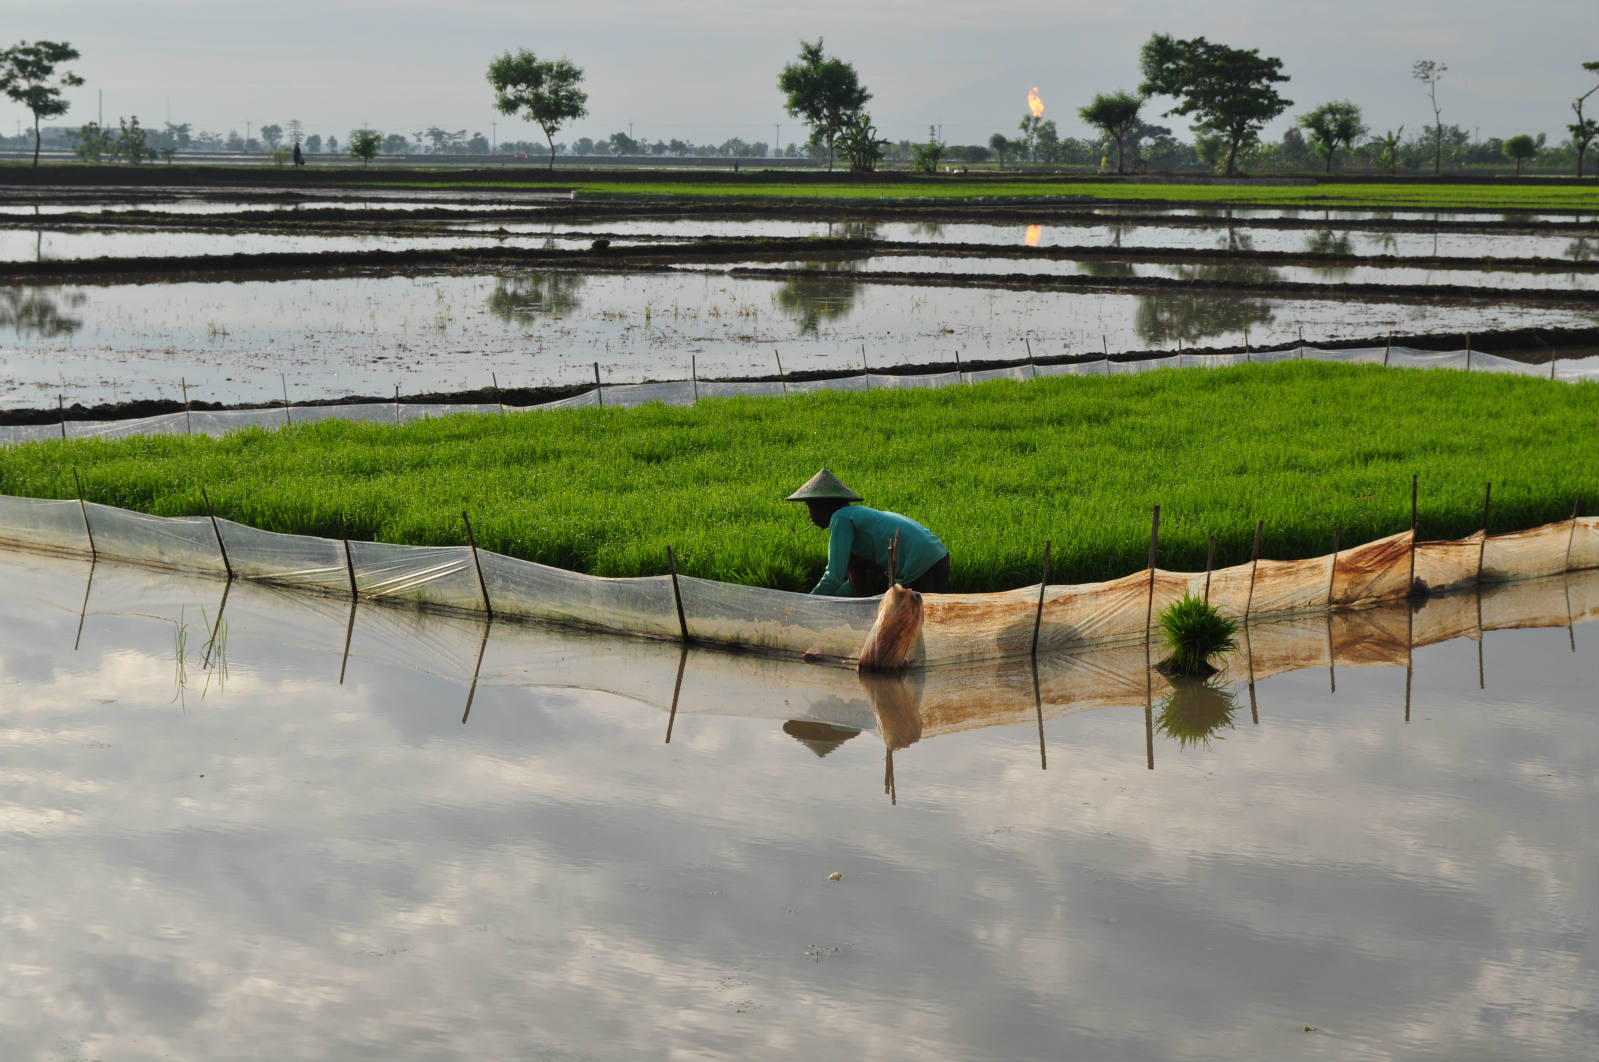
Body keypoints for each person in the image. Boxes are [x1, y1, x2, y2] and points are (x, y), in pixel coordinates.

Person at [786, 468, 950, 596]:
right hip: (939, 558)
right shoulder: (856, 516)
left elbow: (833, 577)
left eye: (812, 506)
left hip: (920, 567)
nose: (810, 514)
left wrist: (808, 603)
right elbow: (852, 579)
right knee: (853, 562)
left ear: (827, 505)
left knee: (909, 628)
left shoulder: (840, 518)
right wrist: (833, 599)